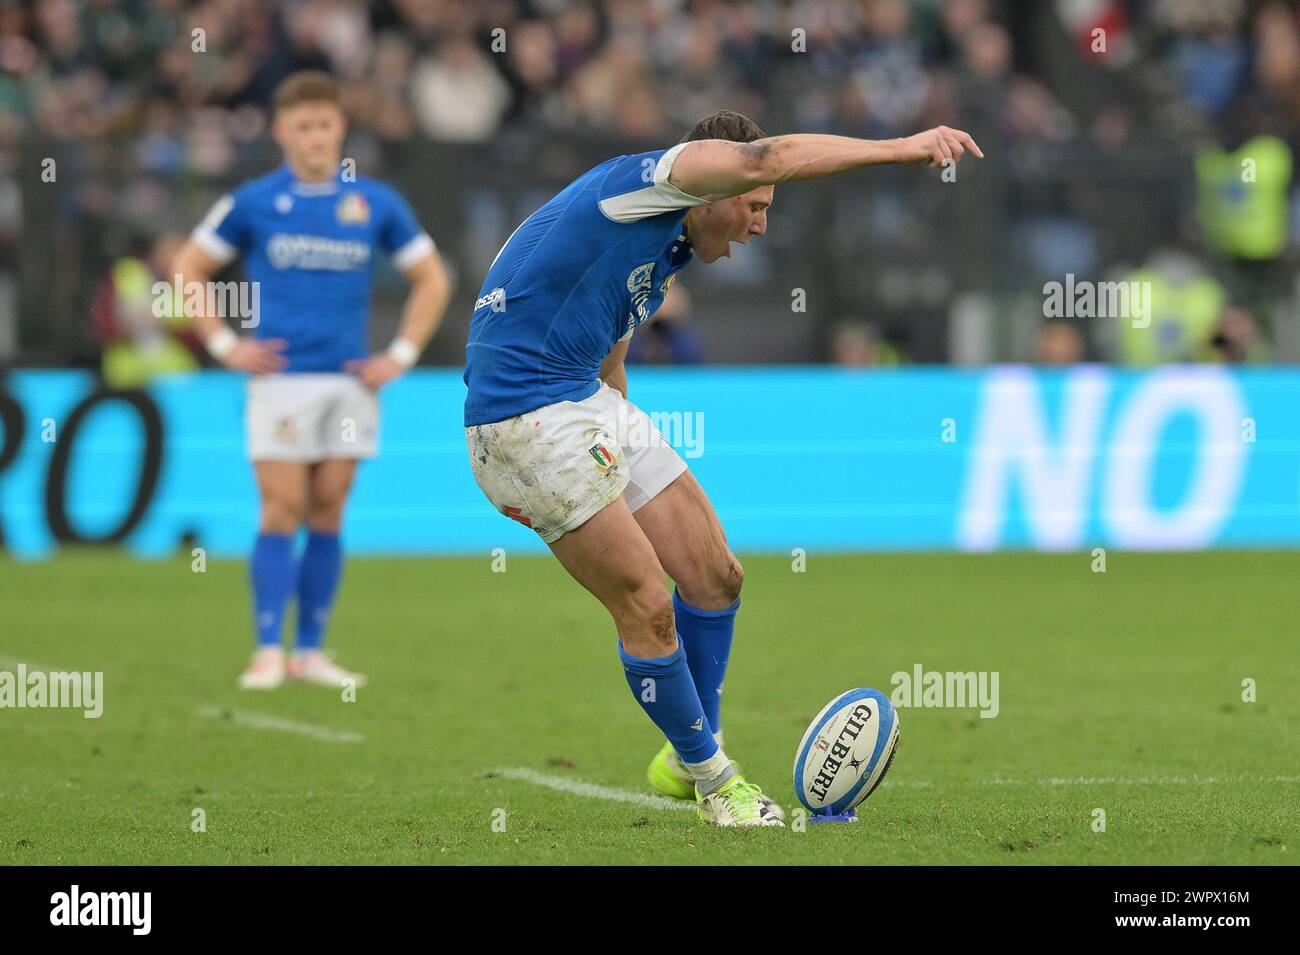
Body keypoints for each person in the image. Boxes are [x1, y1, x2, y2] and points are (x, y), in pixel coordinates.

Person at [464, 109, 981, 826]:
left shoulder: (660, 251)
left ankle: (686, 752)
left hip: (583, 398)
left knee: (715, 575)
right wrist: (903, 148)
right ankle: (716, 782)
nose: (760, 226)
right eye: (756, 205)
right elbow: (767, 155)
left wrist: (614, 456)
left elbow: (609, 354)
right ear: (715, 181)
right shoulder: (653, 181)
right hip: (522, 416)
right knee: (646, 603)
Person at [170, 72, 452, 690]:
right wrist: (223, 344)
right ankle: (268, 648)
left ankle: (311, 651)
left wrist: (400, 354)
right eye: (302, 126)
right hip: (281, 379)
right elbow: (188, 266)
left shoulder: (374, 202)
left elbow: (433, 277)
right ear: (280, 131)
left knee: (327, 512)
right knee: (281, 508)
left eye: (324, 124)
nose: (315, 137)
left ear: (339, 128)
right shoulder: (254, 201)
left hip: (352, 383)